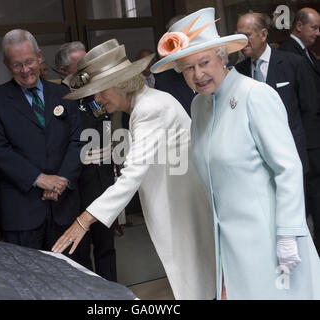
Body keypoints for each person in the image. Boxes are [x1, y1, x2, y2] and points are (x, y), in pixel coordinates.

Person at [151, 7, 320, 299]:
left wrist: (289, 233)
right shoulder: (199, 106)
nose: (198, 74)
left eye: (204, 62)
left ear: (222, 56)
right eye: (188, 68)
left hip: (270, 240)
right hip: (227, 245)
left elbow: (288, 167)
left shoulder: (255, 95)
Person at [53, 39, 216, 300]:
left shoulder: (149, 109)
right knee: (199, 278)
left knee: (198, 281)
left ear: (120, 85)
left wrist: (84, 220)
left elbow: (132, 175)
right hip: (180, 204)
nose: (96, 98)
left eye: (101, 90)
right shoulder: (145, 104)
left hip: (185, 208)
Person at [0, 29, 83, 251]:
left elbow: (77, 140)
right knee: (27, 281)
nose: (25, 70)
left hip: (64, 206)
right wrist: (38, 179)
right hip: (22, 213)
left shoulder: (64, 94)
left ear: (39, 56)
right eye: (17, 65)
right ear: (7, 65)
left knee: (71, 278)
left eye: (29, 61)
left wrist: (61, 179)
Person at [54, 42, 117, 281]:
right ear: (62, 70)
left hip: (102, 179)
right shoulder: (57, 99)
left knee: (106, 243)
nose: (87, 69)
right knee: (80, 246)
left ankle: (113, 294)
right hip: (76, 183)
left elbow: (107, 130)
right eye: (80, 65)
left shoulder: (97, 94)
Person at [235, 12, 317, 174]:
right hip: (256, 161)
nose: (241, 41)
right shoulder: (239, 71)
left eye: (247, 35)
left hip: (292, 154)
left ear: (263, 34)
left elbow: (310, 110)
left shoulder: (293, 63)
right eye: (238, 36)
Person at [279, 7, 320, 255]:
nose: (318, 33)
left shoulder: (307, 54)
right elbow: (301, 105)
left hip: (312, 143)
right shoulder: (287, 55)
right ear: (299, 27)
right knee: (307, 203)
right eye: (314, 27)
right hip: (304, 145)